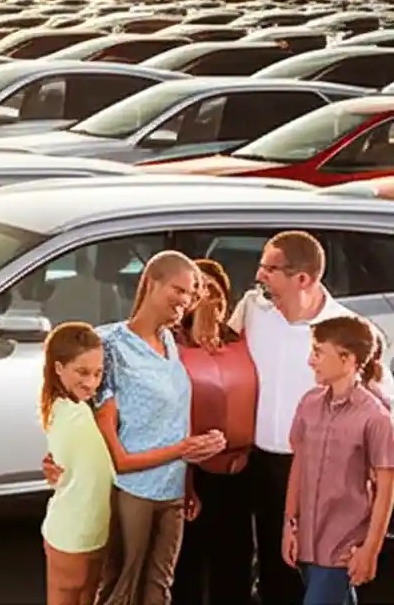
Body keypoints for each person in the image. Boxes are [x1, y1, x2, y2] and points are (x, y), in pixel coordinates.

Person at [229, 231, 368, 605]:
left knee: (305, 572)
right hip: (250, 459)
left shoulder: (345, 327)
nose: (258, 276)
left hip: (312, 468)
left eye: (269, 269)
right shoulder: (253, 311)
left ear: (303, 278)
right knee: (249, 567)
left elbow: (378, 402)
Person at [92, 250, 226, 605]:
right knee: (122, 587)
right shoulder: (110, 347)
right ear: (151, 282)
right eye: (178, 290)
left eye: (190, 295)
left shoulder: (170, 342)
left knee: (159, 587)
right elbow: (112, 451)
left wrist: (189, 479)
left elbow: (174, 419)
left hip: (173, 492)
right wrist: (184, 450)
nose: (184, 301)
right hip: (133, 490)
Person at [283, 315, 394, 605]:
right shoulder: (309, 403)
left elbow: (386, 490)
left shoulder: (376, 418)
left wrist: (371, 549)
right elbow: (299, 465)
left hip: (344, 544)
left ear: (347, 359)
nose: (311, 360)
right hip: (307, 539)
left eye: (319, 352)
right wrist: (289, 524)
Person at [170, 259, 258, 605]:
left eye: (215, 290)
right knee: (187, 570)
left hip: (243, 471)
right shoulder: (171, 345)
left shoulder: (242, 340)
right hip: (192, 472)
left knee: (235, 569)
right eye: (198, 291)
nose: (207, 298)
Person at [40, 322, 115, 605]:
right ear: (58, 368)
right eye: (82, 372)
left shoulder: (74, 408)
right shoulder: (74, 415)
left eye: (98, 373)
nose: (92, 382)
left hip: (92, 530)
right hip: (72, 534)